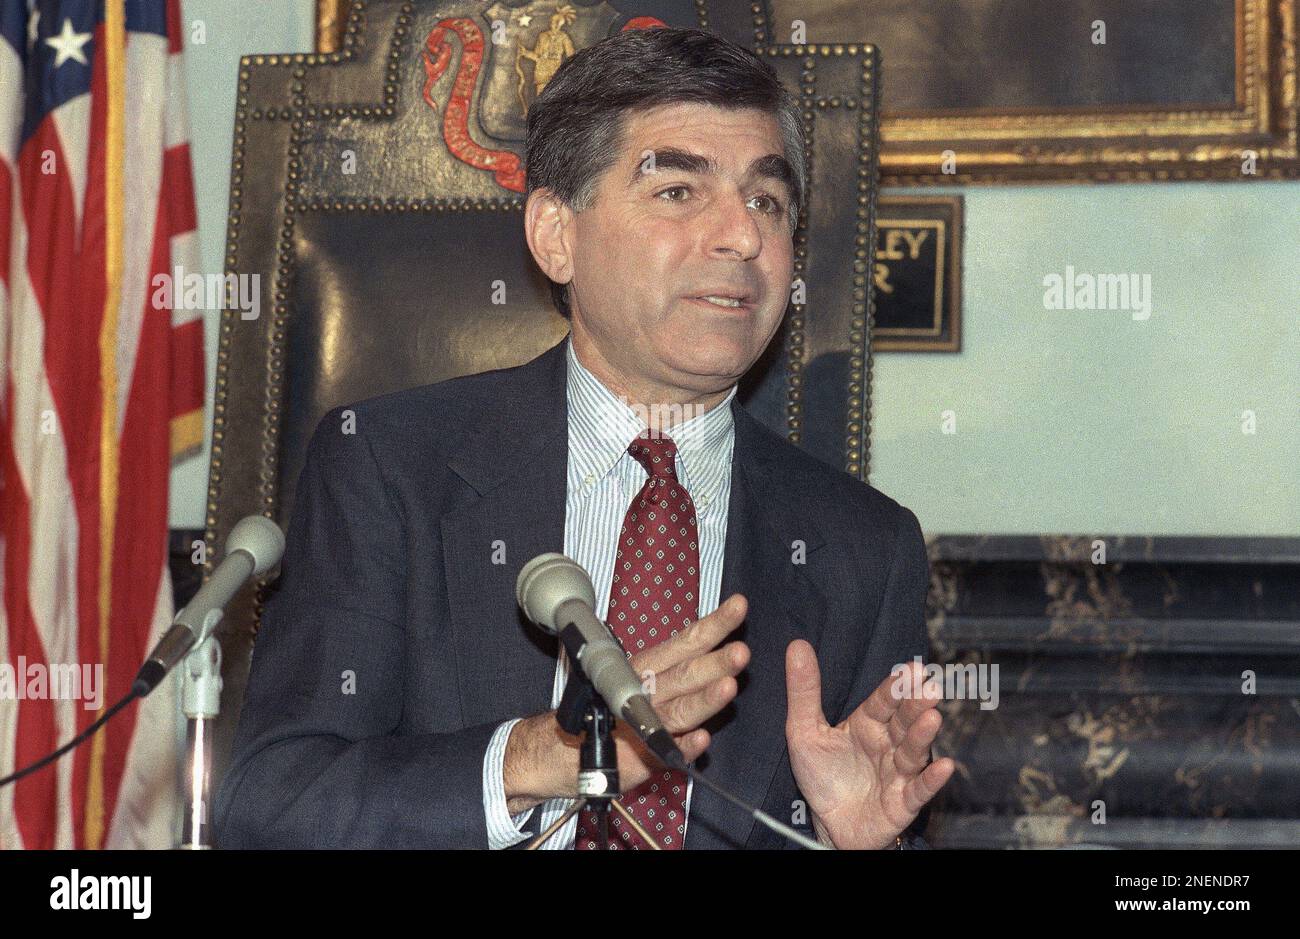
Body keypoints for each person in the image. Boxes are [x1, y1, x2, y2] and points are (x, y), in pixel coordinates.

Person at [214, 25, 954, 851]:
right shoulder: (390, 469)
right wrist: (544, 754)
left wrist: (854, 842)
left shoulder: (864, 545)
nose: (742, 236)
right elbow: (272, 804)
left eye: (767, 200)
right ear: (555, 236)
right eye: (678, 190)